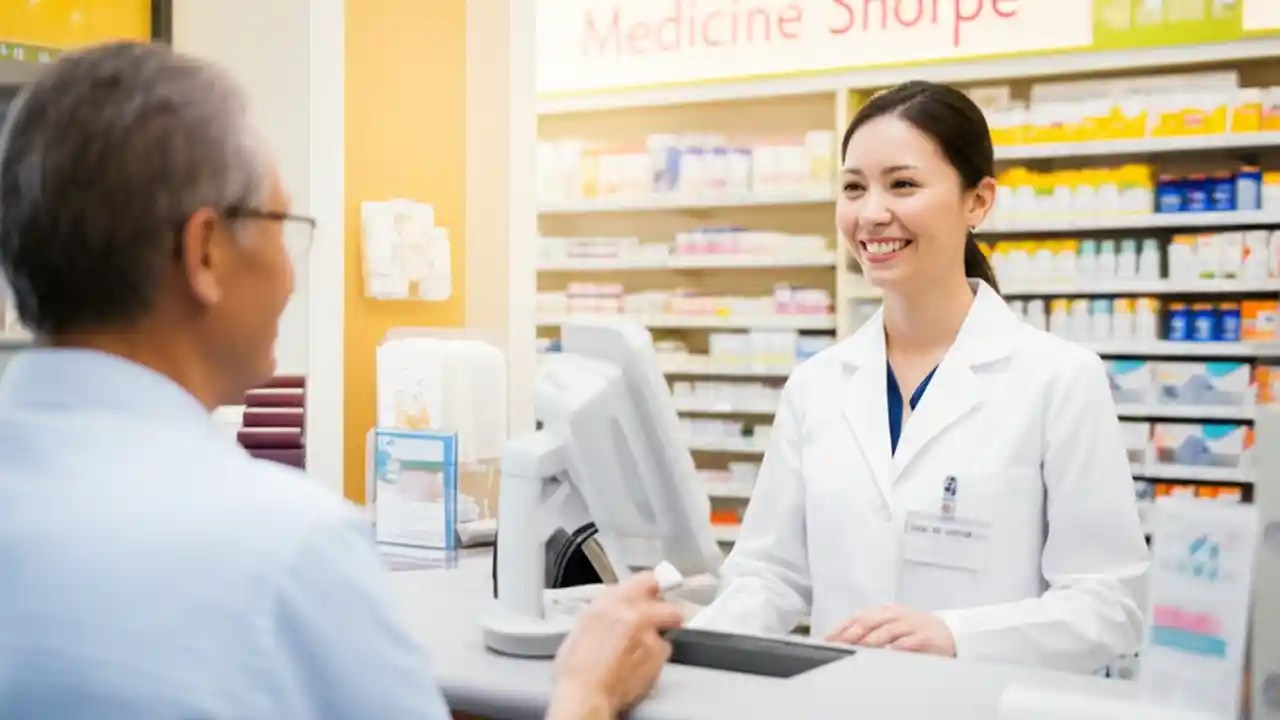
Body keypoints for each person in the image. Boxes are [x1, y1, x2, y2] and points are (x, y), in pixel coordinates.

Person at [0, 41, 681, 719]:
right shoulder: (288, 549)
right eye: (282, 226)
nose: (290, 276)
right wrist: (586, 693)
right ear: (203, 252)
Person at [690, 81, 1149, 674]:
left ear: (977, 201)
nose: (871, 213)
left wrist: (956, 636)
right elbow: (770, 574)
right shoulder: (817, 386)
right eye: (854, 187)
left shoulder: (1058, 379)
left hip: (985, 703)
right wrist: (685, 643)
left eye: (902, 184)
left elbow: (1109, 606)